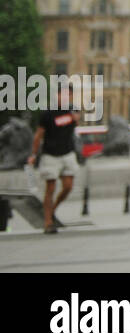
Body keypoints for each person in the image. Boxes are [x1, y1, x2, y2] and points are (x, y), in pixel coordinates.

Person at [27, 84, 79, 234]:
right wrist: (33, 154)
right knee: (51, 187)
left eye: (68, 95)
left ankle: (52, 209)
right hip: (50, 154)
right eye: (62, 94)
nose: (65, 98)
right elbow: (38, 135)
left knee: (68, 186)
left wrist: (74, 118)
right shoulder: (48, 114)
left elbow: (76, 122)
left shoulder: (73, 110)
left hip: (67, 152)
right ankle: (48, 222)